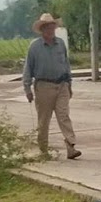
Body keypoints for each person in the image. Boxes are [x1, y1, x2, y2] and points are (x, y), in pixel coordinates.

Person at [22, 13, 81, 160]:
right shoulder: (35, 47)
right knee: (44, 120)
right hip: (43, 87)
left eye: (52, 27)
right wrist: (27, 88)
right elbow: (28, 68)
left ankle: (71, 146)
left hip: (62, 85)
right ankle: (43, 150)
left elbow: (66, 64)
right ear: (42, 29)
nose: (50, 30)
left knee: (63, 115)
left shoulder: (60, 44)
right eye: (47, 27)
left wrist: (69, 84)